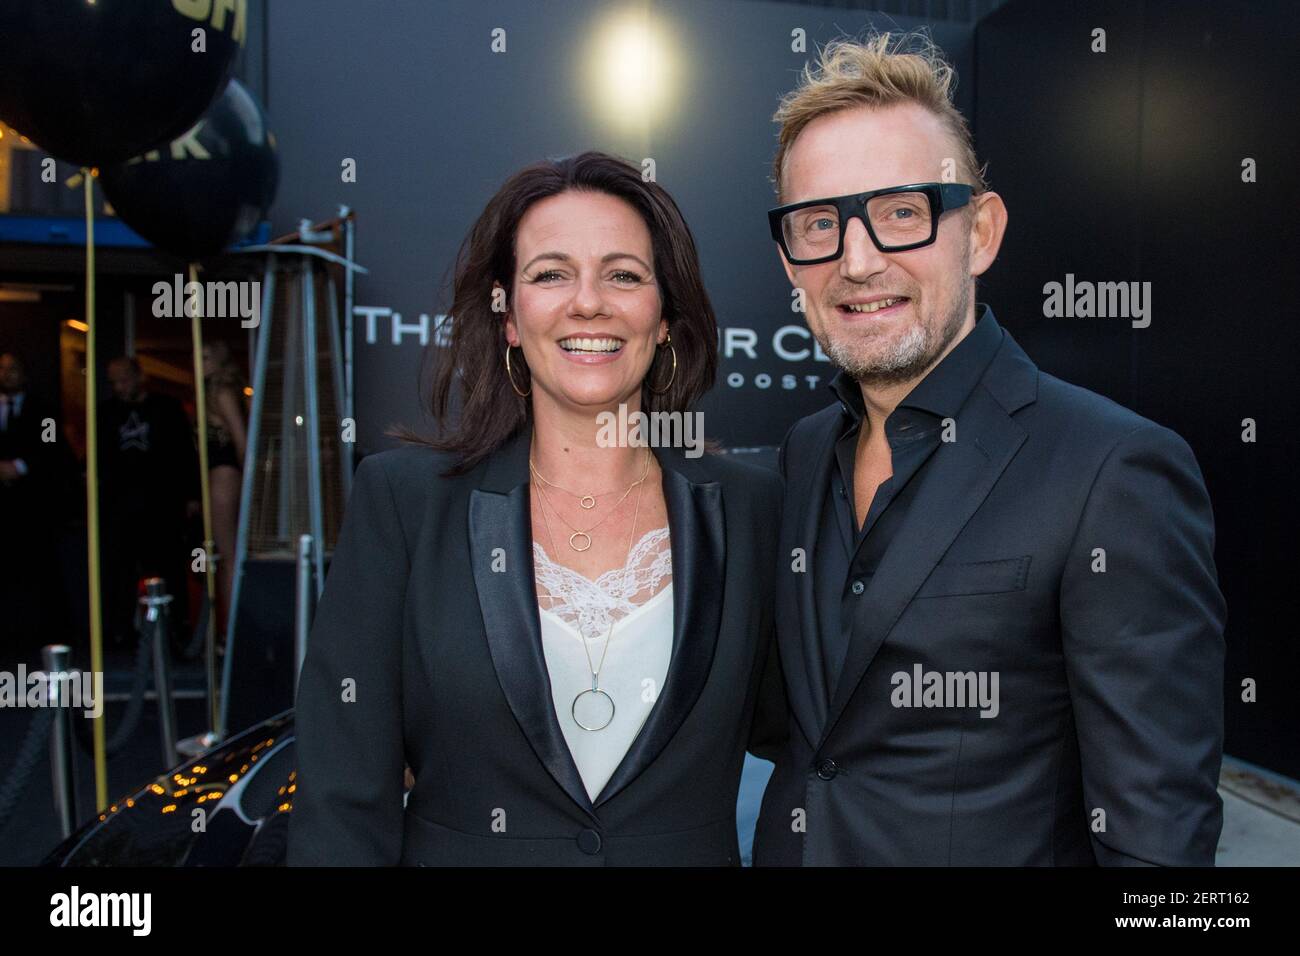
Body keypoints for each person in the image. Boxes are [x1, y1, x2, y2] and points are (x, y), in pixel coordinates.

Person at [753, 33, 1225, 866]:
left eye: (902, 212)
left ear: (980, 232)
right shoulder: (802, 454)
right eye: (820, 223)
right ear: (790, 257)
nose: (857, 261)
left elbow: (1159, 842)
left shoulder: (1113, 472)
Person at [288, 151, 786, 866]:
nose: (589, 302)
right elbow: (342, 799)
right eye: (551, 274)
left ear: (666, 315)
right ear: (509, 317)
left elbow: (816, 748)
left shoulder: (752, 510)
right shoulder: (403, 504)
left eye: (624, 274)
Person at [98, 356, 200, 648]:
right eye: (114, 381)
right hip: (121, 504)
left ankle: (175, 629)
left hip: (162, 502)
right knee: (121, 569)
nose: (120, 387)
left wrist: (191, 494)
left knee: (168, 566)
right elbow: (99, 458)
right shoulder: (106, 413)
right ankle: (120, 632)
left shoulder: (165, 408)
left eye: (124, 379)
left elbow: (184, 451)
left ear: (139, 376)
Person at [0, 353, 62, 662]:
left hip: (33, 508)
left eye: (14, 368)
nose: (7, 374)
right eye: (3, 369)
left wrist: (21, 466)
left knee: (37, 571)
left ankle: (40, 636)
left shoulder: (44, 412)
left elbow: (52, 450)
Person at [200, 339, 247, 634]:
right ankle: (228, 632)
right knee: (224, 555)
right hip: (220, 475)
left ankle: (230, 634)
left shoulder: (221, 392)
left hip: (225, 475)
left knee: (229, 556)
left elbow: (242, 441)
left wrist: (250, 479)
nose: (199, 362)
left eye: (205, 356)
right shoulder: (211, 392)